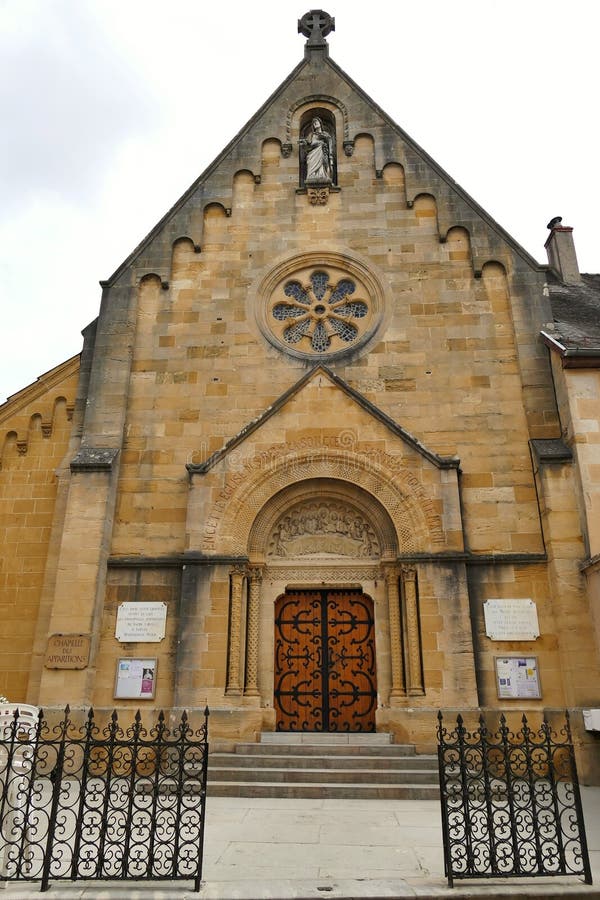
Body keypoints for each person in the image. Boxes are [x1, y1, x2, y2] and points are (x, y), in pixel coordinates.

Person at [302, 117, 333, 182]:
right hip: (312, 153)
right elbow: (308, 146)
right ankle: (312, 176)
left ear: (320, 123)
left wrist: (330, 156)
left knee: (322, 167)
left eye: (316, 122)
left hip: (321, 152)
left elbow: (330, 143)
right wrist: (304, 144)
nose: (315, 123)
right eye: (313, 123)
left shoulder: (325, 134)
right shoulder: (311, 135)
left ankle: (322, 175)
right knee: (310, 163)